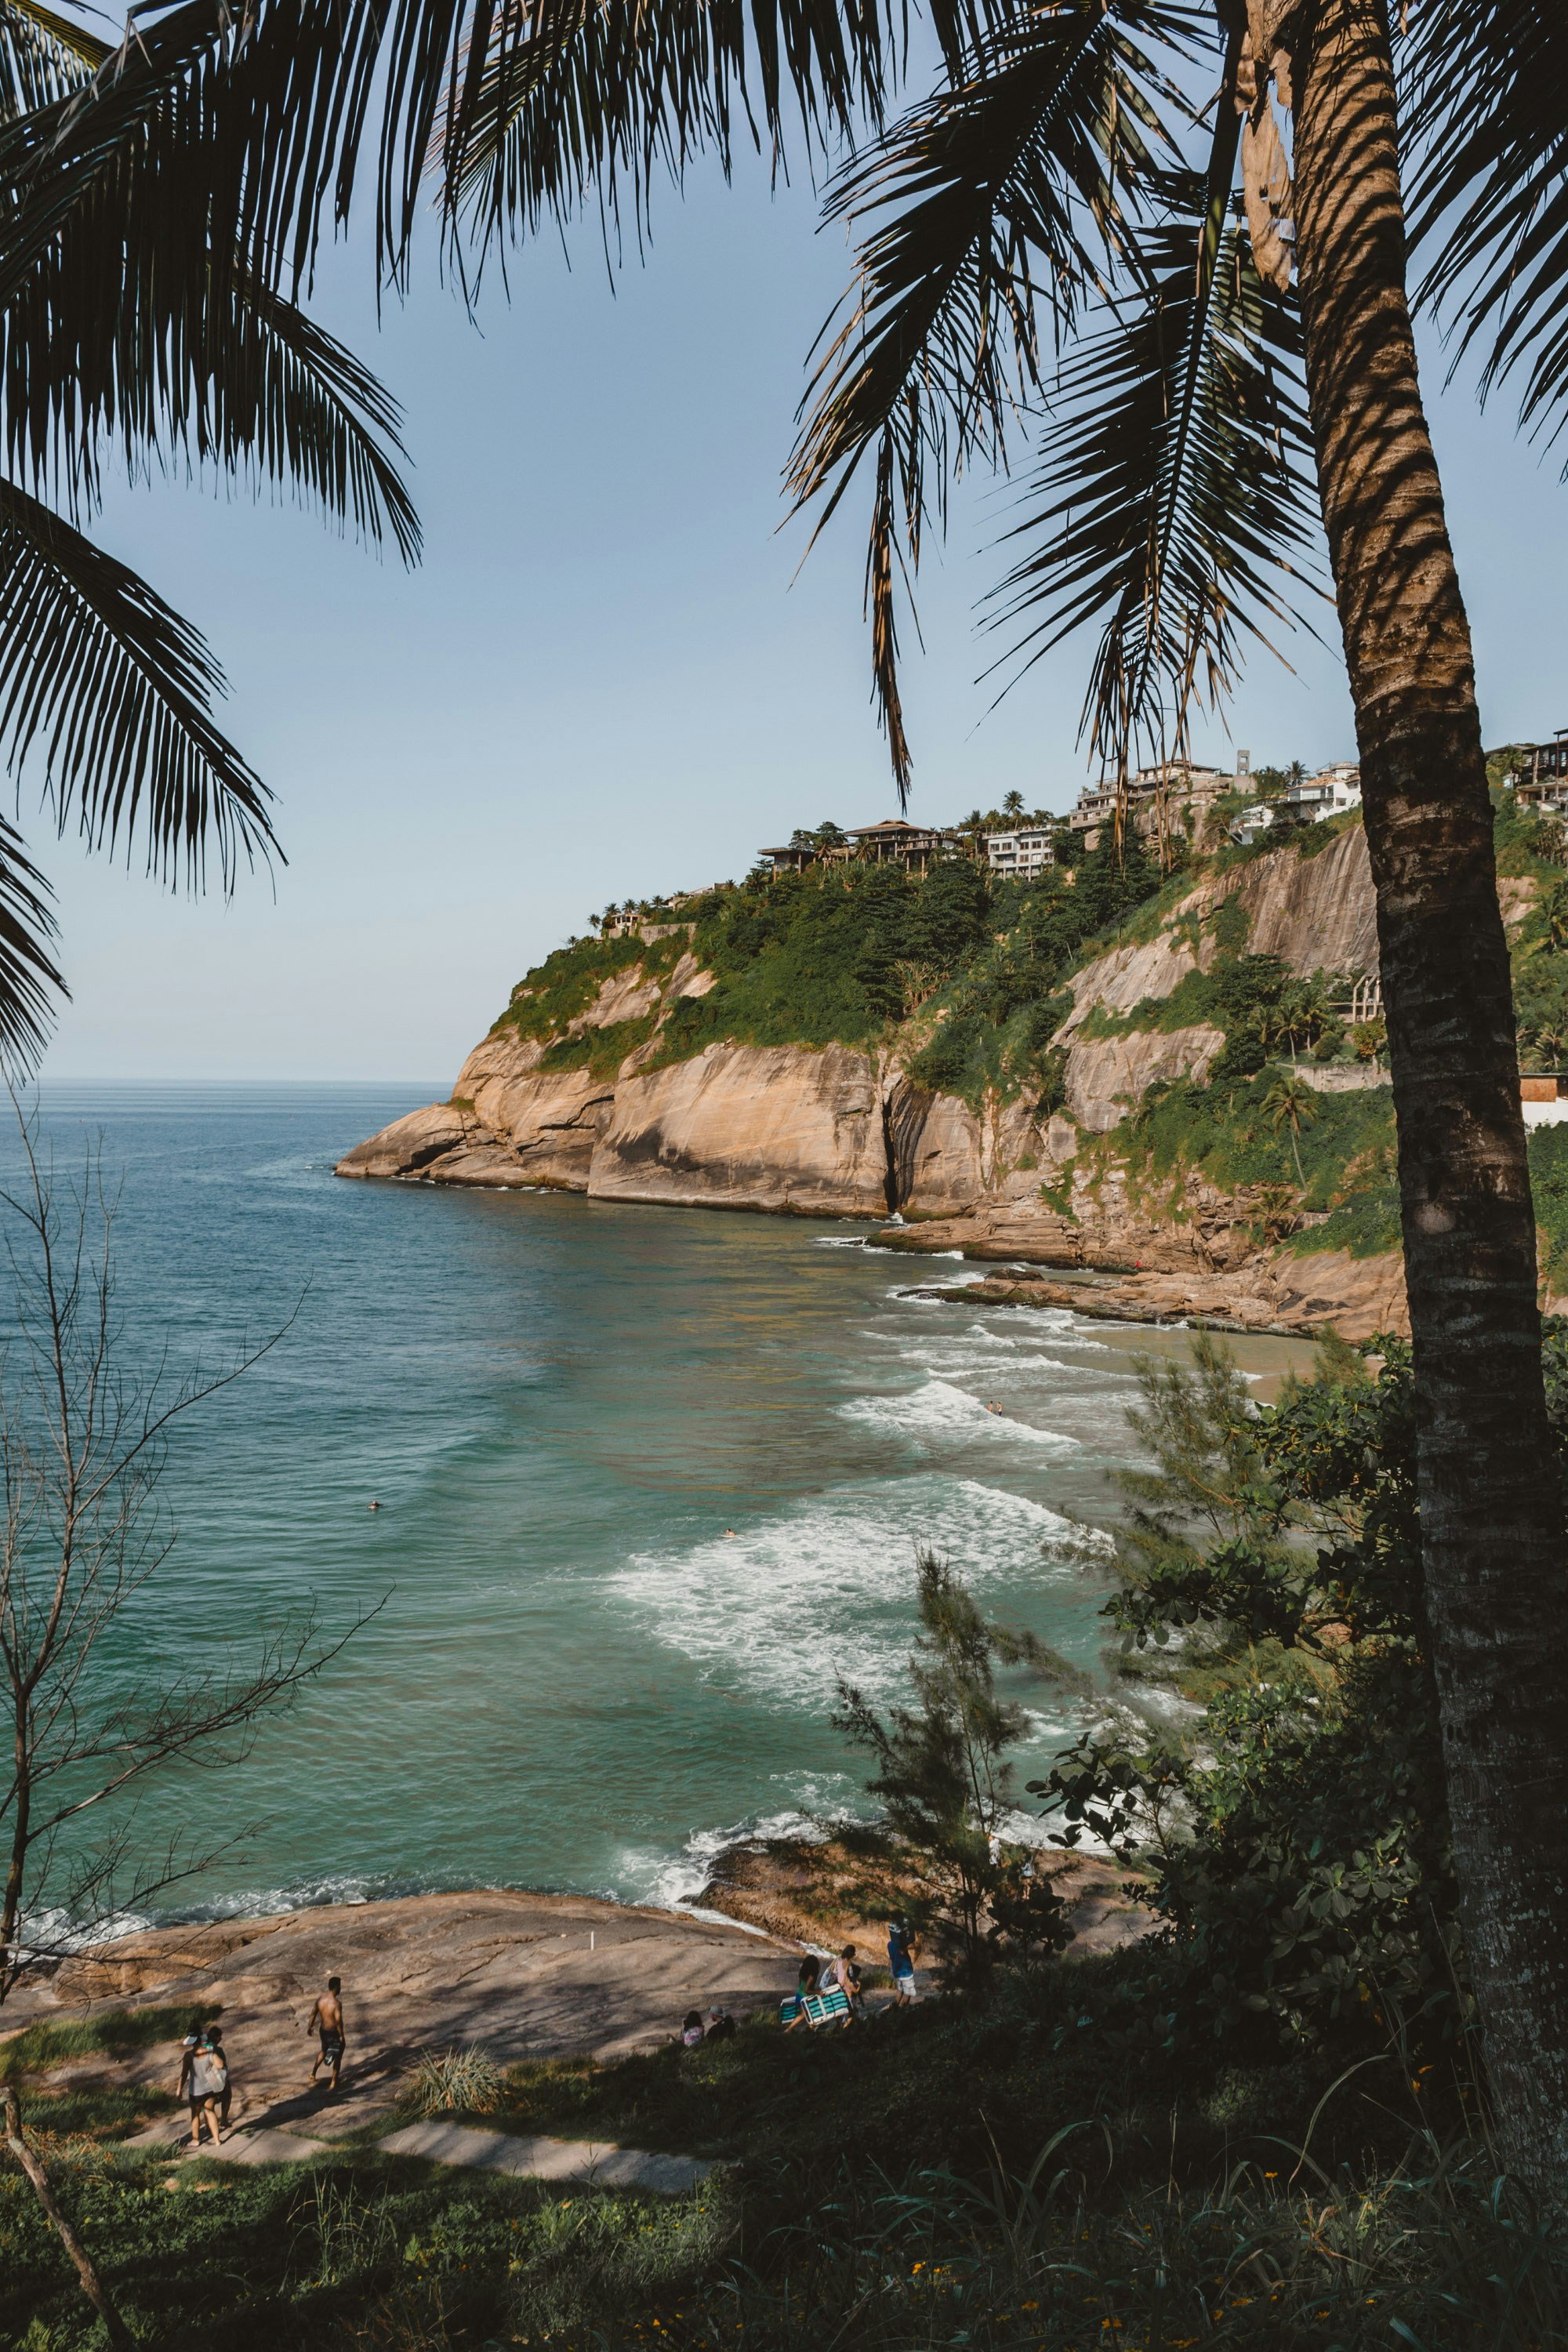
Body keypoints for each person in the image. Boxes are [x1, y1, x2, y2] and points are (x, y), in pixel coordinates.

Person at [183, 2034, 225, 2149]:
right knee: (210, 2112)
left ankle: (195, 2140)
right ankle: (217, 2141)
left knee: (195, 2115)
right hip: (210, 2088)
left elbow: (184, 2074)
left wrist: (179, 2090)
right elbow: (220, 2065)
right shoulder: (209, 2051)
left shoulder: (189, 2055)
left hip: (196, 2091)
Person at [308, 1975, 347, 2090]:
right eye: (340, 1986)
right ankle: (333, 2083)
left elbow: (313, 2013)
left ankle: (313, 2073)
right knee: (338, 2057)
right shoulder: (336, 2004)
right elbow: (338, 2022)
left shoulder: (320, 1999)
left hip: (323, 2031)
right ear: (336, 1987)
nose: (340, 1988)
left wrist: (310, 2026)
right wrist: (341, 2036)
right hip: (334, 2033)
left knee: (324, 2051)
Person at [783, 1956, 819, 2030]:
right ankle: (789, 2029)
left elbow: (802, 1985)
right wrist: (818, 1992)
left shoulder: (803, 1973)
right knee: (804, 2014)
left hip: (799, 1995)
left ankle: (811, 2028)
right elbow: (807, 1990)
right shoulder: (812, 1976)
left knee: (808, 2014)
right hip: (804, 1998)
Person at [887, 1921, 918, 2007]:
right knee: (908, 1993)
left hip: (897, 1972)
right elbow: (914, 1944)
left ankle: (895, 2006)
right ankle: (902, 2009)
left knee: (900, 1989)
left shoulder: (890, 1944)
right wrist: (912, 1929)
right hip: (906, 1973)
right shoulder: (902, 1948)